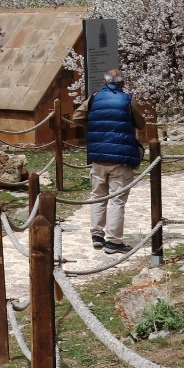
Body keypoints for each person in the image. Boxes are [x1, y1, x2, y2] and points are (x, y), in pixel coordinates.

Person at [78, 68, 149, 254]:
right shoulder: (127, 99)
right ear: (122, 83)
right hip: (120, 157)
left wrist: (93, 122)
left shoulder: (93, 98)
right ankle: (114, 242)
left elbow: (76, 117)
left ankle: (97, 235)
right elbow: (141, 123)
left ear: (104, 81)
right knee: (117, 200)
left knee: (98, 196)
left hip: (98, 156)